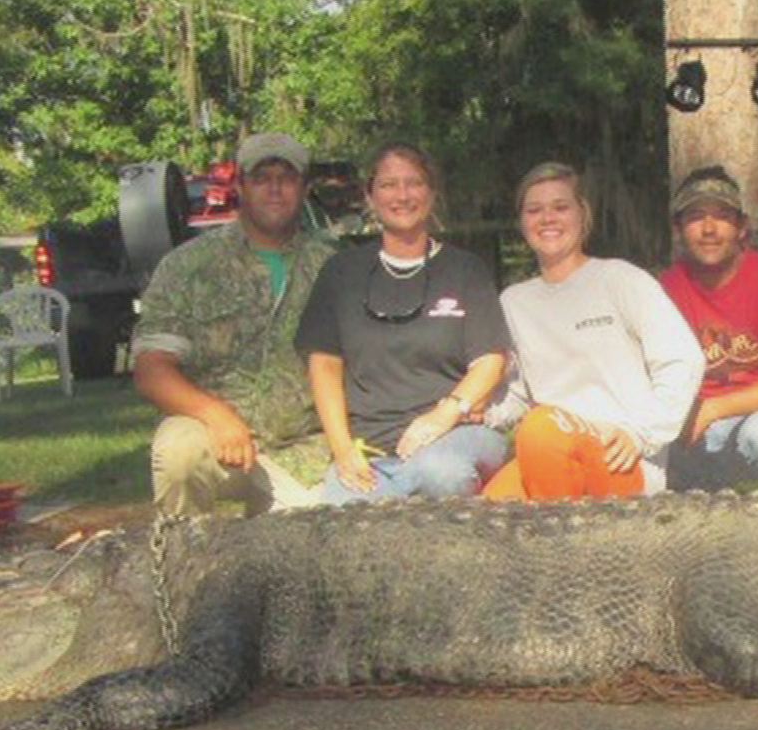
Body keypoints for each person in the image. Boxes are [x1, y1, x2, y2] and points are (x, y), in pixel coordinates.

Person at [129, 132, 338, 518]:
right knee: (178, 453)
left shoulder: (333, 263)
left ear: (305, 188)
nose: (274, 189)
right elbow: (151, 370)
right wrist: (215, 415)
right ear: (239, 186)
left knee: (306, 544)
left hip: (305, 449)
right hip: (214, 435)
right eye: (261, 178)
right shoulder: (188, 266)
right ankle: (184, 550)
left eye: (287, 178)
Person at [293, 143, 509, 503]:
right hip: (370, 449)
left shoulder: (466, 270)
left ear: (432, 194)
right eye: (389, 185)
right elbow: (324, 366)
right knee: (345, 509)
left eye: (414, 183)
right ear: (370, 196)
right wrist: (343, 450)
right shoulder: (341, 273)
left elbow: (491, 362)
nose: (402, 195)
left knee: (441, 473)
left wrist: (443, 415)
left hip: (453, 435)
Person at [481, 162, 705, 500]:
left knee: (540, 427)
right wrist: (480, 412)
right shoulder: (513, 301)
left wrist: (642, 433)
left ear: (583, 215)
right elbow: (517, 393)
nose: (547, 218)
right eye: (534, 210)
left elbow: (683, 360)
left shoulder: (620, 279)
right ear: (522, 222)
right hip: (546, 452)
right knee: (487, 512)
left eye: (561, 207)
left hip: (620, 455)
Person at [659, 165, 758, 495]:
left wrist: (713, 409)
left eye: (722, 216)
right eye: (695, 217)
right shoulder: (663, 290)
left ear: (742, 227)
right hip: (686, 426)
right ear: (678, 228)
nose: (708, 229)